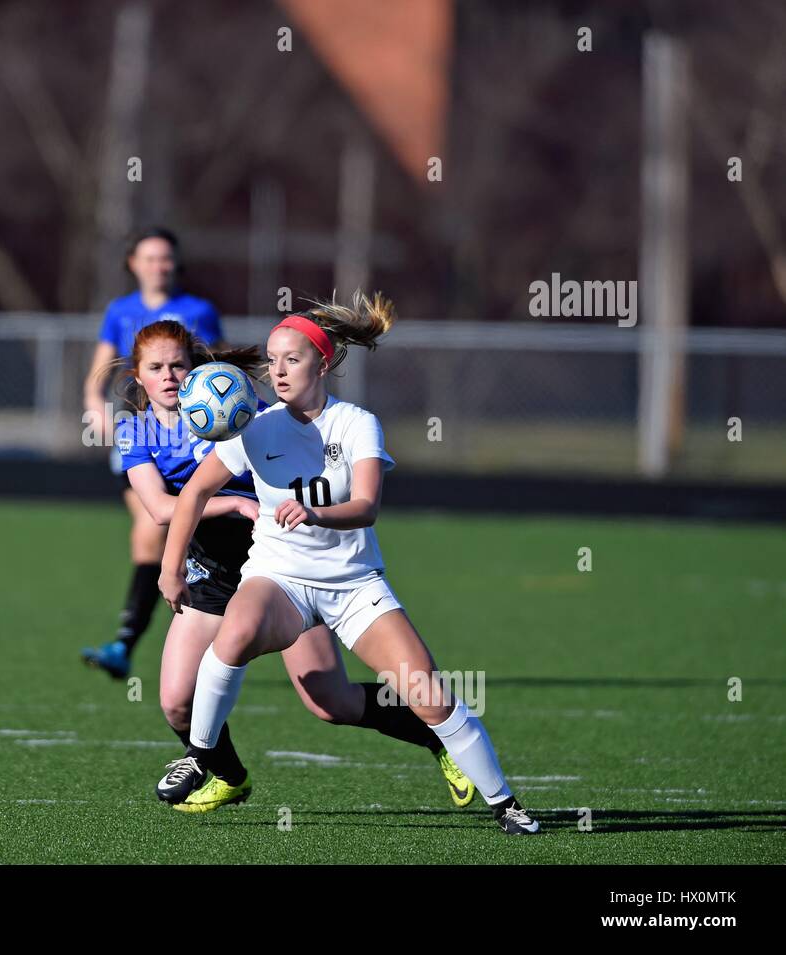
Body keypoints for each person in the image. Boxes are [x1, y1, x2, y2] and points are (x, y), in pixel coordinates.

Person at [158, 293, 541, 834]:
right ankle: (202, 756)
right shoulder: (257, 428)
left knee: (428, 695)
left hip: (353, 585)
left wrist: (314, 513)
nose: (278, 370)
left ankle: (506, 804)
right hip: (280, 579)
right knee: (237, 631)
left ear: (325, 361)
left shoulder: (357, 423)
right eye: (272, 359)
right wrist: (170, 569)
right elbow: (193, 495)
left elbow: (366, 507)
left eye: (291, 358)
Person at [110, 319, 476, 813]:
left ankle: (438, 738)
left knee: (331, 703)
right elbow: (159, 508)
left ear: (196, 368)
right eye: (156, 368)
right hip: (214, 576)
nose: (170, 376)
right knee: (176, 700)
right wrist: (231, 507)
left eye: (179, 364)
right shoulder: (137, 429)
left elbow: (312, 463)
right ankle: (230, 777)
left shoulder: (245, 411)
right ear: (138, 376)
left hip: (284, 569)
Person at [80, 227, 222, 679]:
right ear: (132, 263)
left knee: (175, 533)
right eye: (149, 258)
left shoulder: (199, 310)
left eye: (165, 258)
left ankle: (182, 629)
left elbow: (220, 372)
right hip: (143, 436)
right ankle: (128, 642)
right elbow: (97, 376)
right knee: (150, 528)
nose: (158, 266)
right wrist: (96, 411)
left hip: (191, 434)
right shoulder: (120, 311)